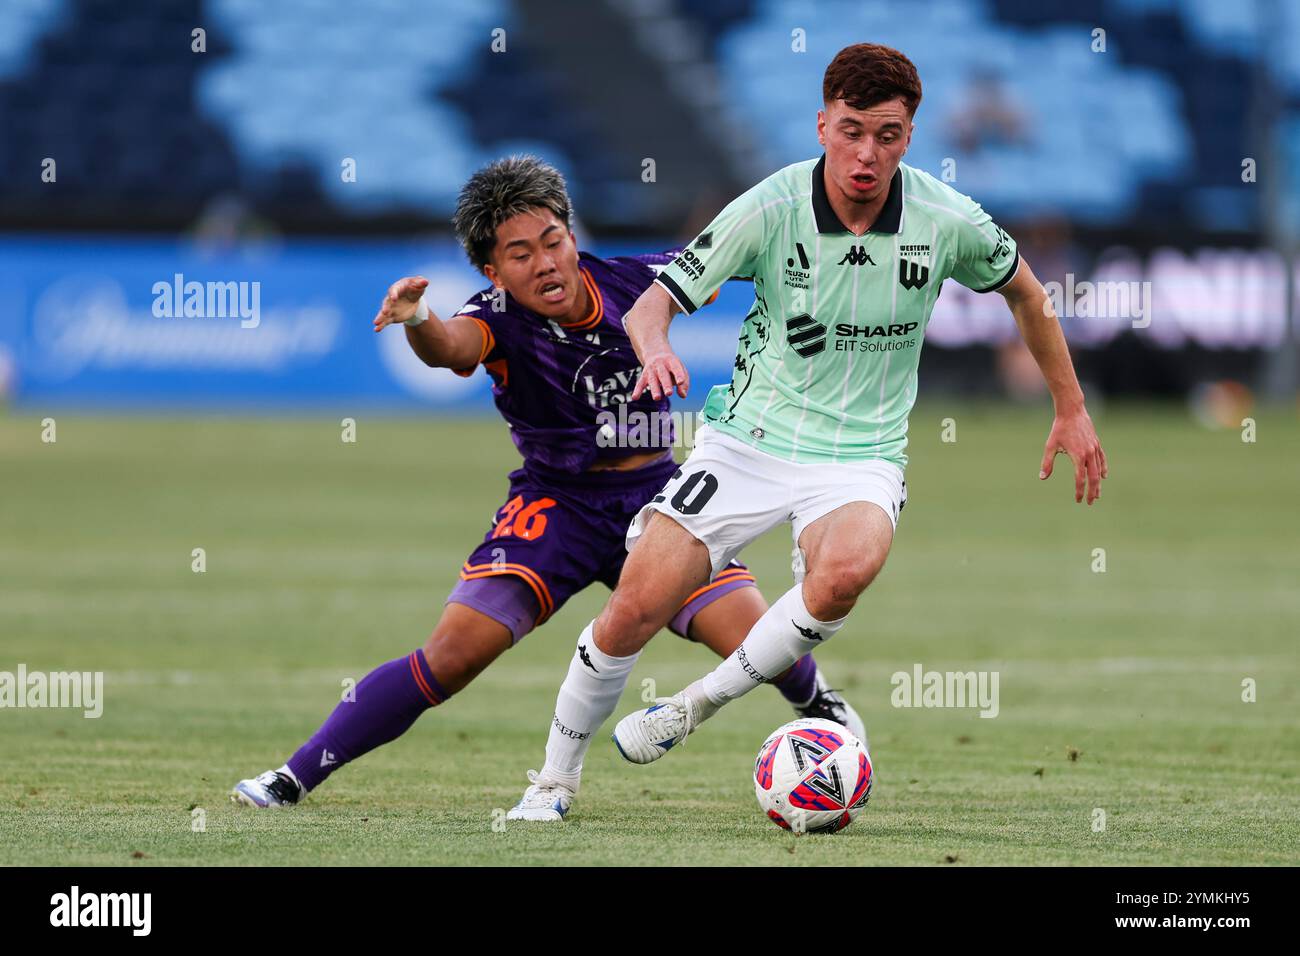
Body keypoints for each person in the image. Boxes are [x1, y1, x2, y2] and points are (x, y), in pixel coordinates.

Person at [510, 43, 1106, 784]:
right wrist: (656, 348)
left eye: (887, 135)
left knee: (847, 570)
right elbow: (651, 304)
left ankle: (693, 706)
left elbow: (1027, 292)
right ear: (822, 124)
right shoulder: (771, 206)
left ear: (909, 137)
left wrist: (1070, 408)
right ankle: (552, 783)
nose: (868, 153)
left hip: (861, 453)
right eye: (852, 130)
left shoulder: (946, 217)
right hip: (748, 442)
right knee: (635, 604)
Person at [229, 156, 865, 820]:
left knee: (755, 636)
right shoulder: (496, 318)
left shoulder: (639, 282)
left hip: (657, 498)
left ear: (572, 233)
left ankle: (819, 706)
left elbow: (740, 257)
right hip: (555, 505)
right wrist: (419, 319)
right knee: (450, 655)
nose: (545, 264)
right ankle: (292, 776)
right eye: (520, 254)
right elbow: (451, 348)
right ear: (492, 271)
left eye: (553, 242)